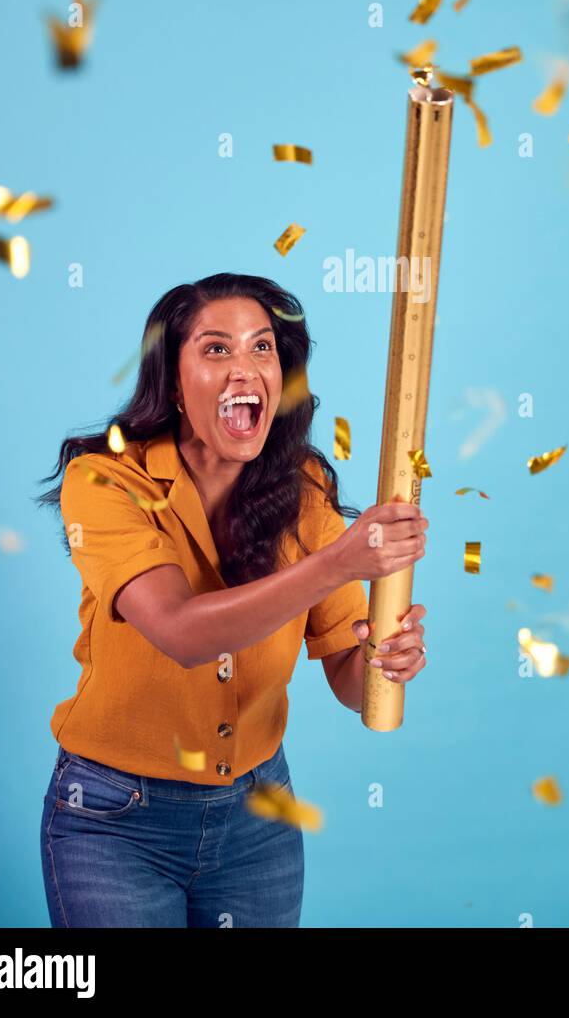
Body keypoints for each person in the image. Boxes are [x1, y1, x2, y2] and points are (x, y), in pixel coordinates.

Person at [36, 271, 428, 927]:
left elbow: (348, 678)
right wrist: (338, 563)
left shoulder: (304, 491)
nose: (243, 367)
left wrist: (385, 661)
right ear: (172, 381)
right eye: (216, 349)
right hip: (115, 820)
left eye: (262, 347)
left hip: (257, 818)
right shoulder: (104, 480)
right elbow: (182, 633)